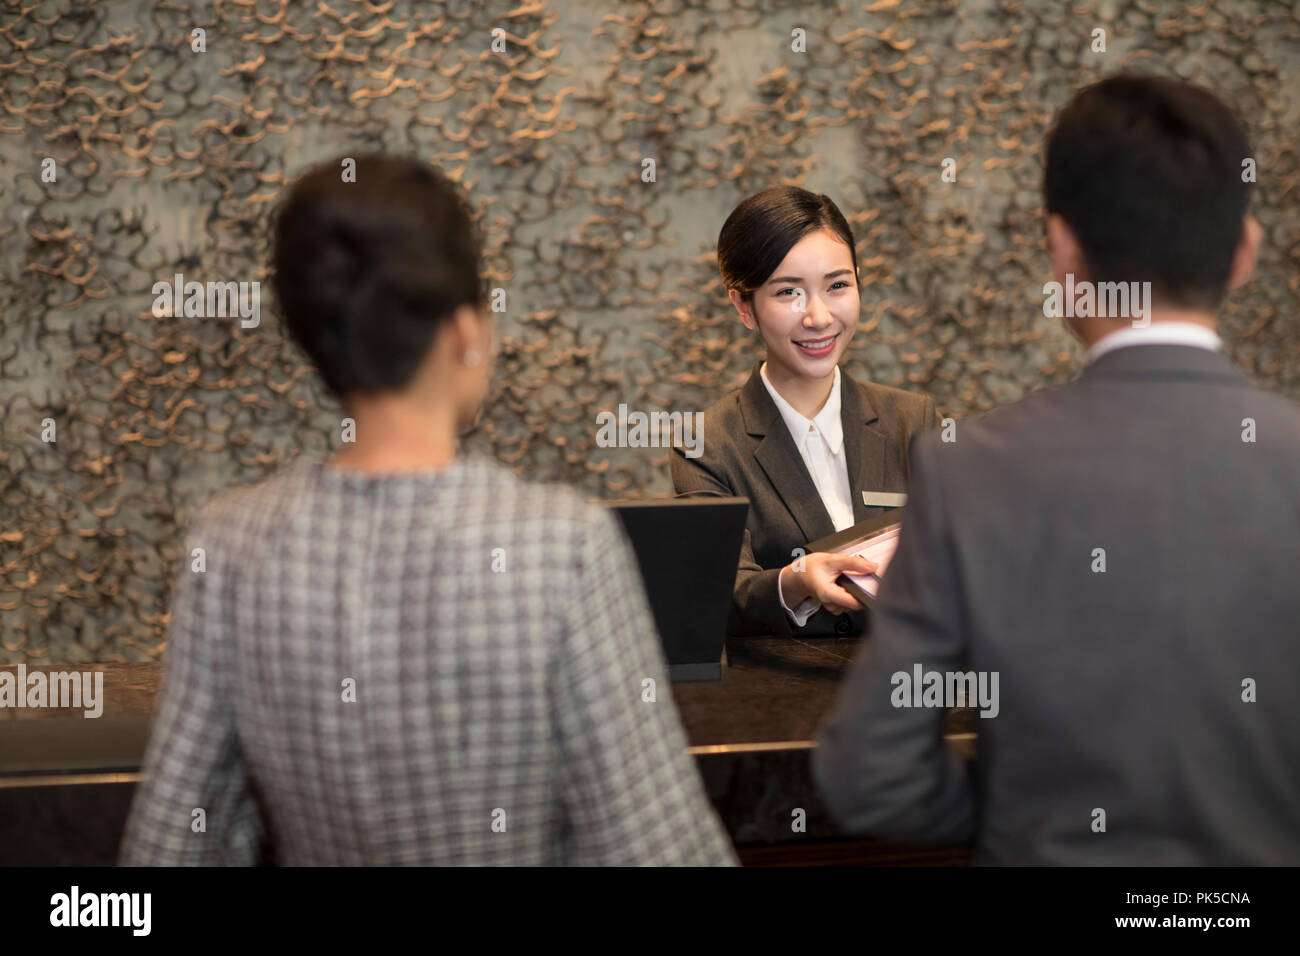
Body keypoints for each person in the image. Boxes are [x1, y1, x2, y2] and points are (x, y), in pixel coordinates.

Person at [119, 154, 736, 866]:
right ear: (465, 334)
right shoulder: (564, 544)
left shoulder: (227, 545)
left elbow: (170, 844)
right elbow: (653, 849)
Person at [814, 74, 1300, 864]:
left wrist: (1023, 817)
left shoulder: (969, 468)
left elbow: (870, 774)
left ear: (1061, 247)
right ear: (1245, 253)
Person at [671, 186, 939, 639]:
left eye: (837, 286)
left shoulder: (912, 419)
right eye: (789, 292)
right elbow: (714, 594)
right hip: (782, 696)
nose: (818, 317)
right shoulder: (706, 444)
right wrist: (792, 582)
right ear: (744, 306)